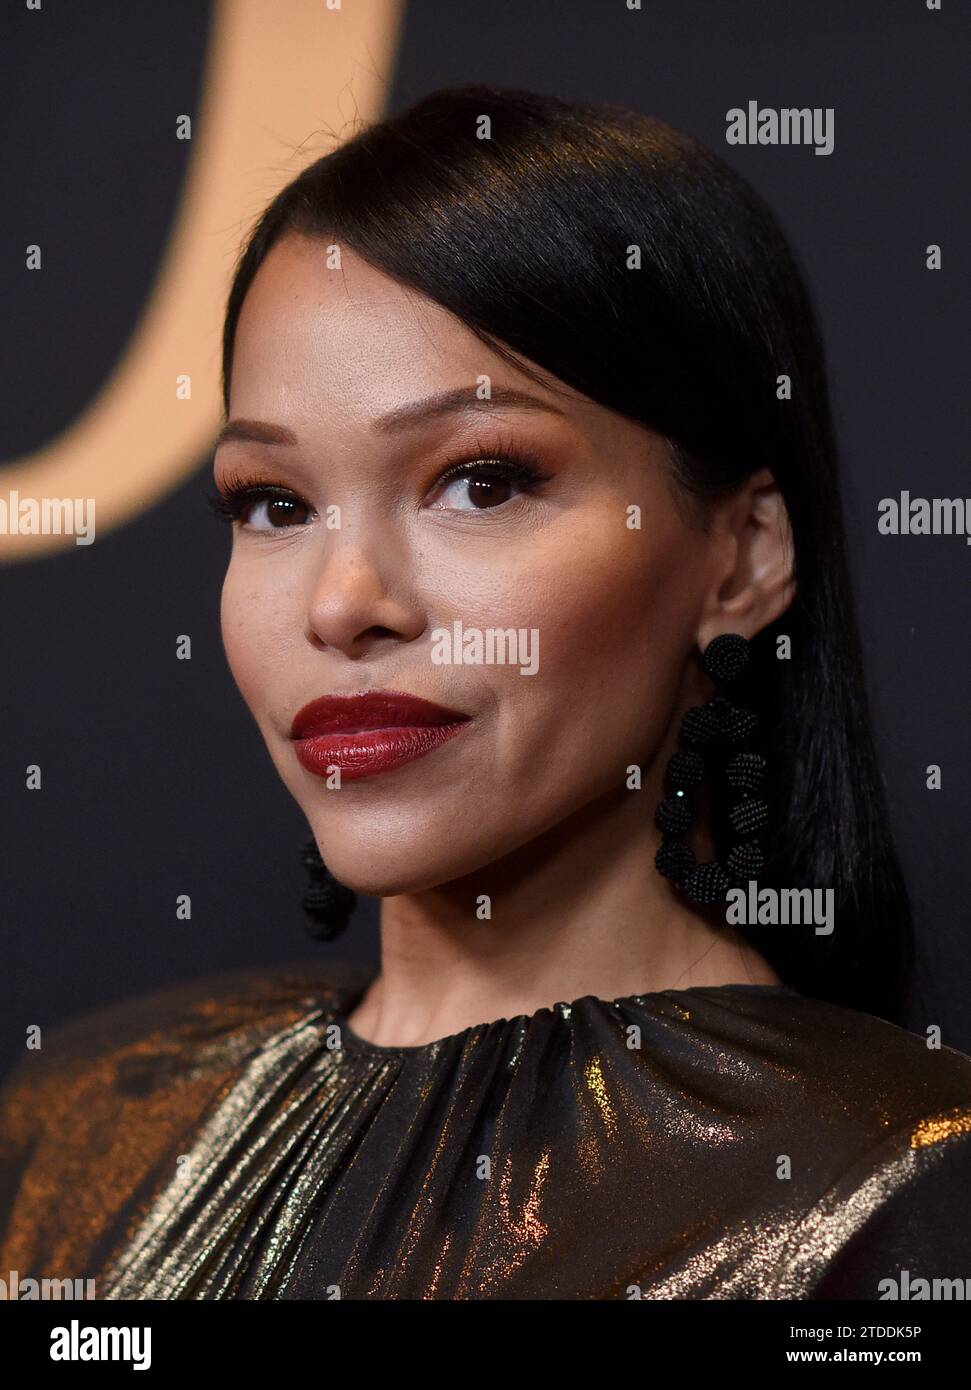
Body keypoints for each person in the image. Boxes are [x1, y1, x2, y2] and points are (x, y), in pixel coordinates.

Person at [2, 84, 969, 1301]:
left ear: (739, 556)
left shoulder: (894, 1192)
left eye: (480, 481)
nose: (341, 601)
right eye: (274, 503)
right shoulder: (70, 1131)